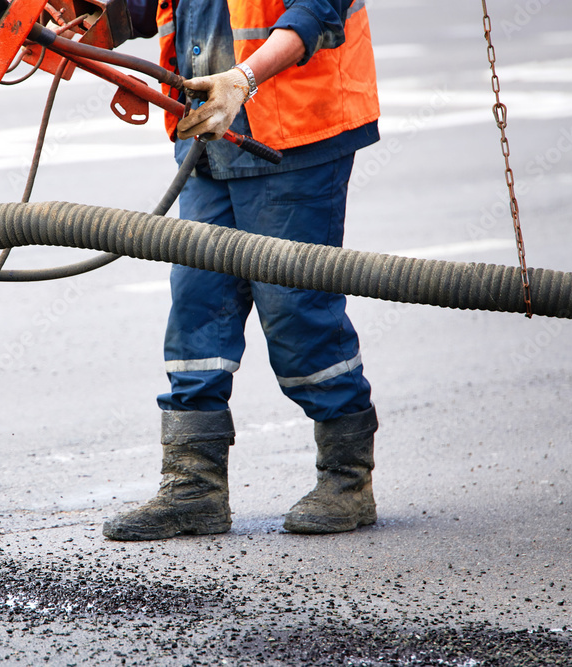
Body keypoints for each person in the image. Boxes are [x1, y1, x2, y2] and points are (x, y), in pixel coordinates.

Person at [103, 0, 381, 541]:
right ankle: (193, 485)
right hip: (210, 136)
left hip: (294, 137)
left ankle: (347, 481)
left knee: (296, 309)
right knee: (197, 304)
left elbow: (317, 12)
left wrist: (243, 77)